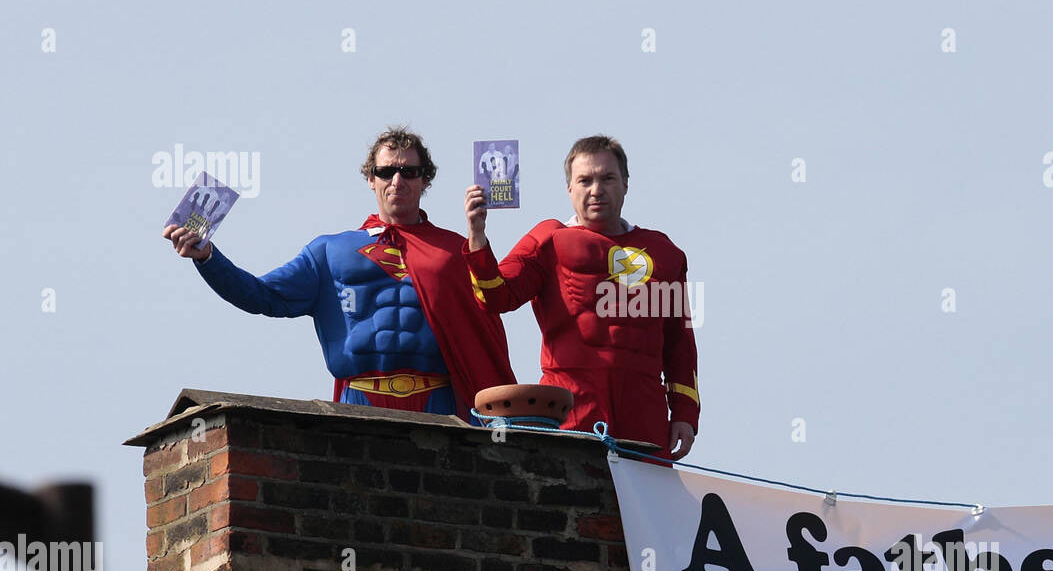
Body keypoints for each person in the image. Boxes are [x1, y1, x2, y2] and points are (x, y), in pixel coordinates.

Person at [164, 126, 515, 419]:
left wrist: (479, 239)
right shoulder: (330, 251)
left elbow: (498, 298)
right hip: (358, 401)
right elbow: (262, 295)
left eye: (408, 172)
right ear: (370, 179)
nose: (397, 180)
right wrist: (208, 258)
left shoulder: (455, 248)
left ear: (425, 181)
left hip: (438, 401)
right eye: (386, 171)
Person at [462, 135, 698, 459]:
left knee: (645, 508)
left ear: (626, 184)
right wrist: (477, 237)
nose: (596, 190)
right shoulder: (548, 241)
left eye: (607, 178)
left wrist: (685, 414)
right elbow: (496, 297)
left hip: (645, 412)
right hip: (572, 409)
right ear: (569, 189)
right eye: (585, 180)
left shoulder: (665, 253)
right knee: (572, 504)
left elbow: (679, 344)